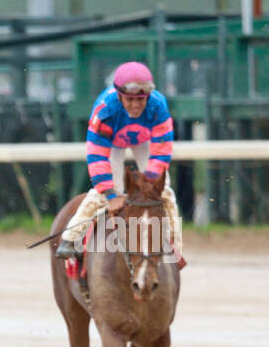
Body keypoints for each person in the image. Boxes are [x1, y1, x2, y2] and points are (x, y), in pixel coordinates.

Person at [57, 61, 184, 266]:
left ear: (149, 97)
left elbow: (162, 150)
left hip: (143, 139)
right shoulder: (106, 111)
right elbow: (97, 157)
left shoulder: (158, 105)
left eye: (140, 100)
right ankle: (70, 238)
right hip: (112, 144)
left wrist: (149, 182)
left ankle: (175, 246)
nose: (135, 105)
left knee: (164, 191)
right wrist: (111, 195)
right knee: (103, 193)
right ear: (119, 95)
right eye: (129, 99)